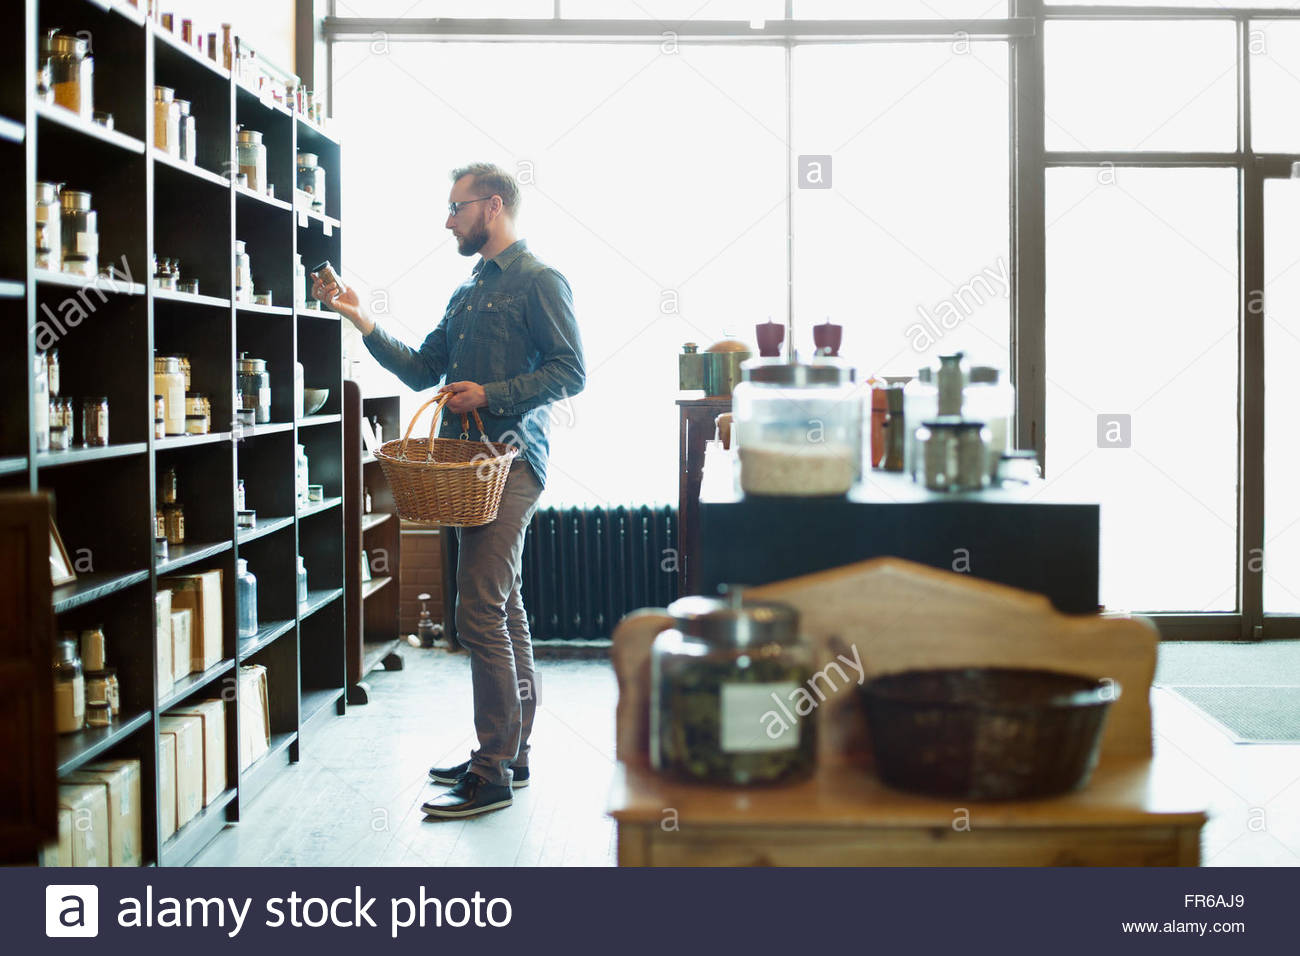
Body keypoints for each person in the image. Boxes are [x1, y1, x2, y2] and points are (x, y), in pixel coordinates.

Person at [312, 162, 585, 818]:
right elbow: (422, 369)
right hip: (467, 470)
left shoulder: (539, 280)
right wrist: (360, 318)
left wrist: (493, 393)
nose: (448, 220)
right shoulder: (467, 289)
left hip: (511, 464)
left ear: (492, 206)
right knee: (502, 604)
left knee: (477, 611)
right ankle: (509, 753)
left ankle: (491, 771)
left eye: (457, 207)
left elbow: (570, 370)